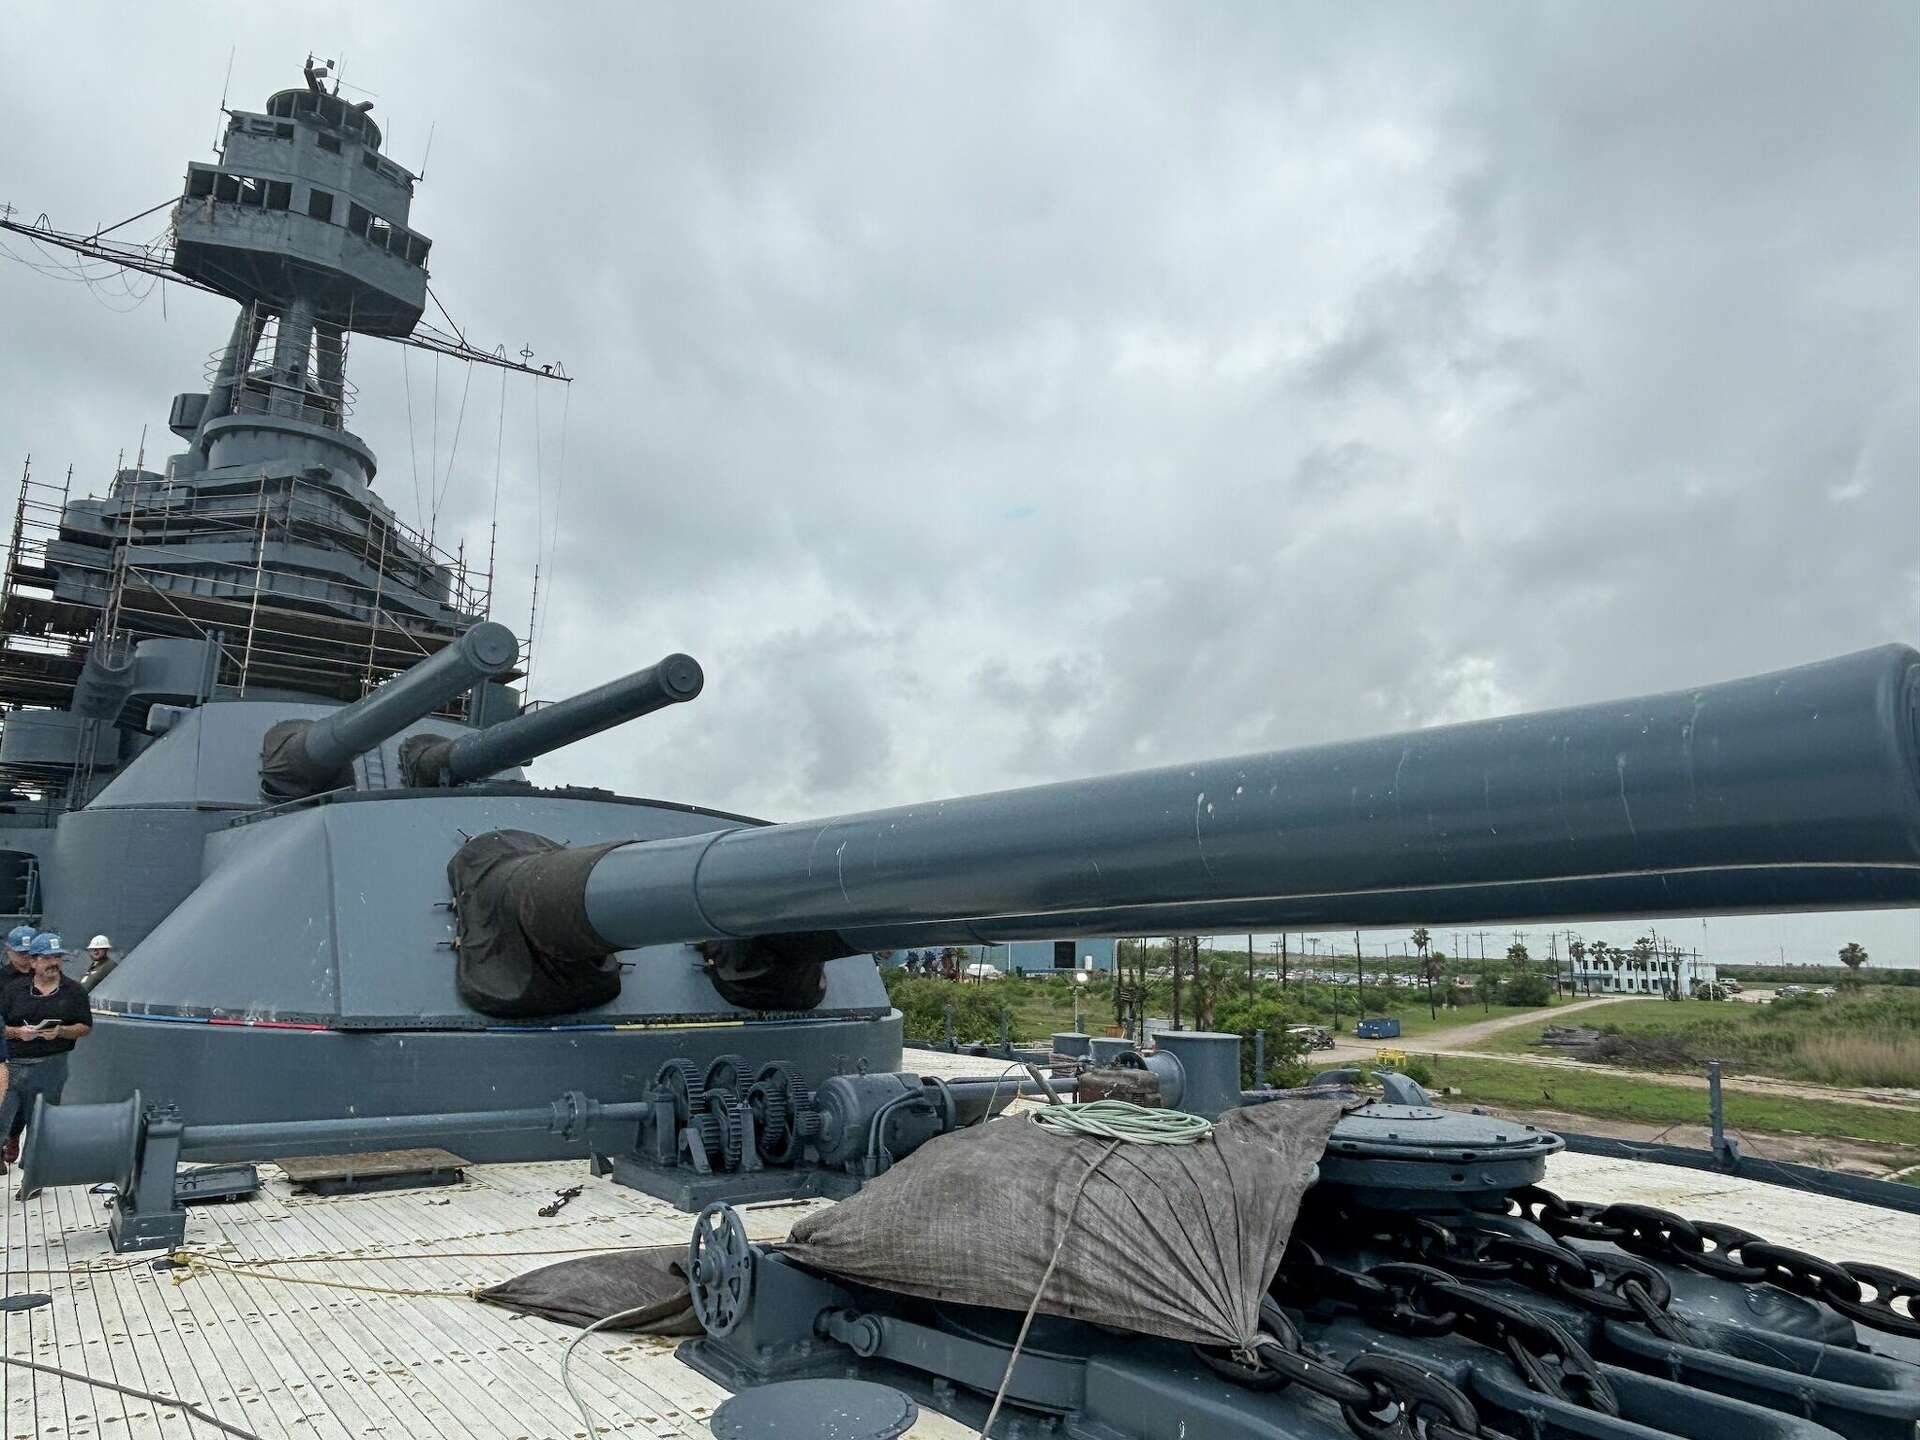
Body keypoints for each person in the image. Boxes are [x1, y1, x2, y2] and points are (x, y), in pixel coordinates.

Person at [1, 933, 91, 1194]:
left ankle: (33, 1180)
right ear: (33, 961)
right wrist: (18, 1033)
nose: (53, 963)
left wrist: (61, 1031)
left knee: (42, 1124)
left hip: (52, 1065)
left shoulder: (74, 992)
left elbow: (84, 1027)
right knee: (2, 1116)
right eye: (47, 958)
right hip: (14, 1063)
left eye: (57, 957)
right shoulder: (13, 991)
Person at [0, 926, 34, 1167]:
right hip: (7, 1047)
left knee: (24, 1104)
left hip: (36, 1051)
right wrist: (15, 1032)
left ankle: (13, 1137)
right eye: (21, 953)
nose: (25, 958)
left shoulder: (43, 978)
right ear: (8, 951)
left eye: (30, 953)